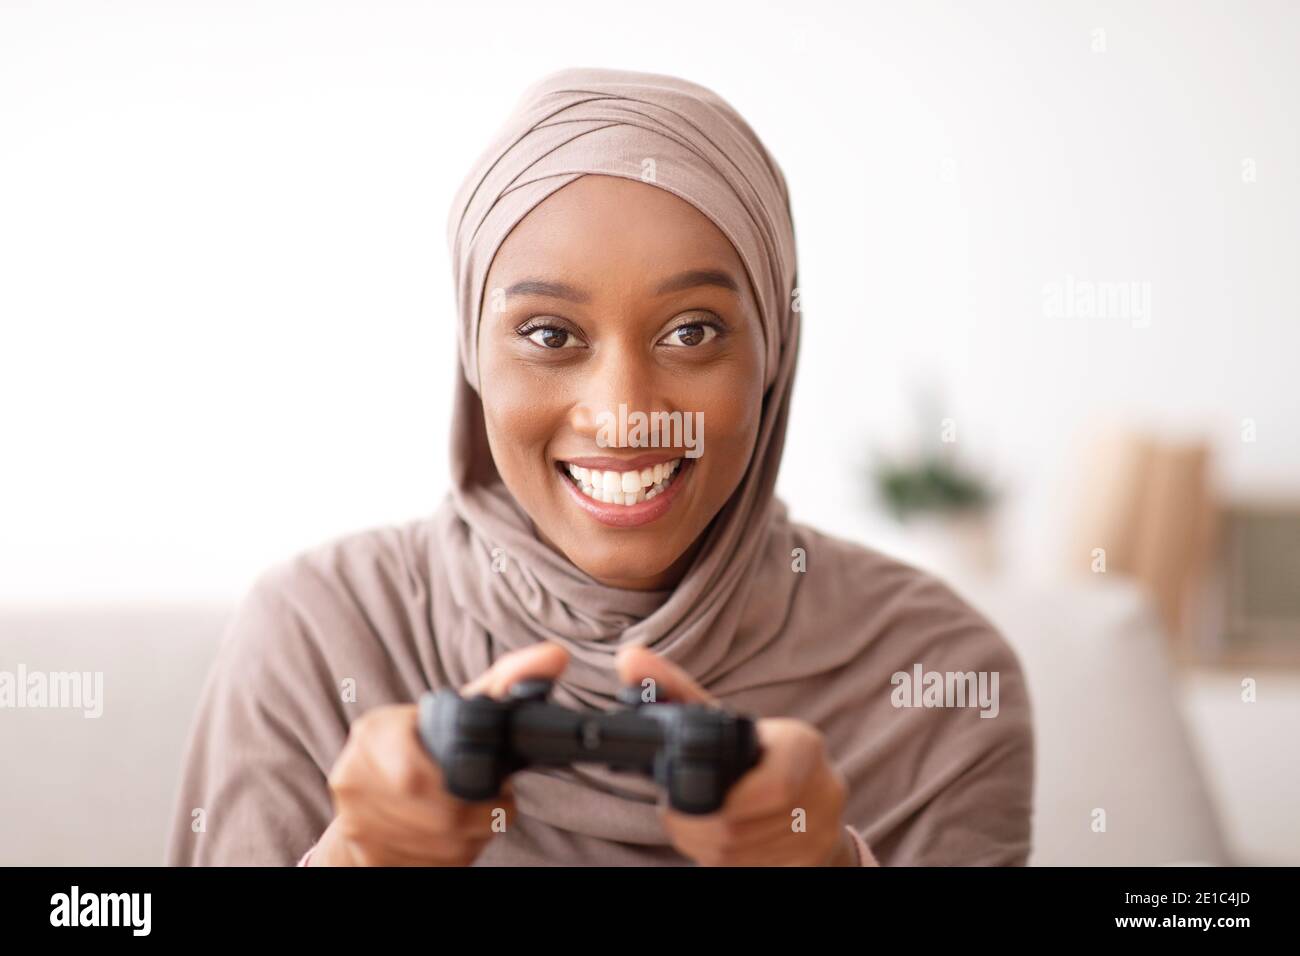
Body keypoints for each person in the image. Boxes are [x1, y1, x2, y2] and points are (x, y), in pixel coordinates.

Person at [166, 67, 1034, 867]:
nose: (622, 414)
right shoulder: (320, 635)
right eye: (549, 335)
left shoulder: (940, 678)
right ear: (473, 357)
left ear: (774, 349)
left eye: (692, 331)